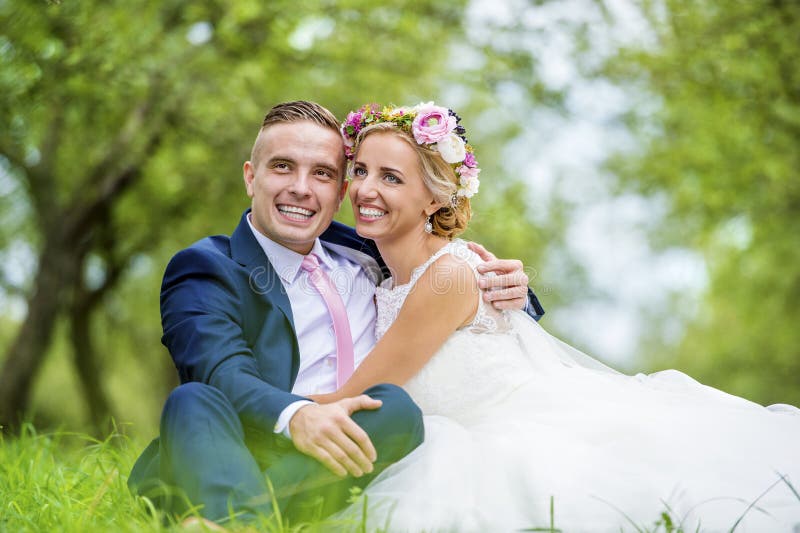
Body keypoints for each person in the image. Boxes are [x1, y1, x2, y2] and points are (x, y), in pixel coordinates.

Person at [313, 102, 800, 532]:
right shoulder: (388, 273)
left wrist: (254, 409)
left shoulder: (447, 278)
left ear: (437, 197)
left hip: (509, 437)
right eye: (360, 171)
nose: (365, 190)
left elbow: (354, 395)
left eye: (391, 177)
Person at [127, 100, 542, 526]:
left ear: (340, 191)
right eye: (283, 167)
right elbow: (220, 371)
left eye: (322, 173)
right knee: (193, 399)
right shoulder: (207, 267)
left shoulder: (370, 249)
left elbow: (446, 281)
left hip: (351, 445)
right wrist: (297, 415)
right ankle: (245, 514)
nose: (302, 189)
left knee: (395, 408)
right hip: (253, 441)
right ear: (251, 177)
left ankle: (234, 519)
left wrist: (510, 289)